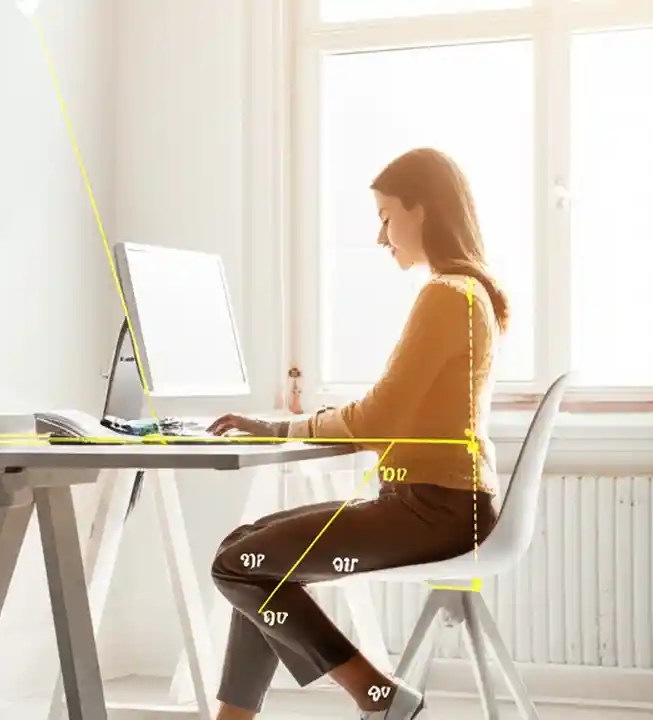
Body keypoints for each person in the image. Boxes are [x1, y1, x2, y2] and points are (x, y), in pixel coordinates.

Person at [206, 147, 511, 720]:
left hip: (435, 511)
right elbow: (391, 413)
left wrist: (279, 428)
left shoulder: (448, 296)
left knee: (238, 565)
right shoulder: (470, 292)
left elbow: (377, 419)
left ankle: (378, 695)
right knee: (241, 551)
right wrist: (288, 427)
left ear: (423, 210)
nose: (381, 236)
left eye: (386, 216)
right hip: (440, 505)